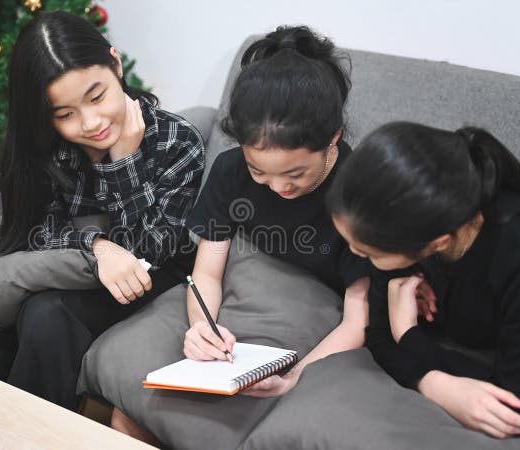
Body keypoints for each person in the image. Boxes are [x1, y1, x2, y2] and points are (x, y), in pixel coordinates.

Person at [0, 10, 205, 411]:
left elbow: (157, 249)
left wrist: (123, 163)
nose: (91, 122)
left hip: (149, 282)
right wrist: (97, 246)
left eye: (97, 97)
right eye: (65, 114)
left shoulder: (176, 142)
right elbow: (32, 230)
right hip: (70, 273)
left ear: (115, 64)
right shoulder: (45, 147)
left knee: (48, 314)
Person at [112, 25, 372, 441]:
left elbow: (359, 319)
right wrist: (204, 329)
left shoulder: (358, 193)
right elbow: (208, 274)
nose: (278, 188)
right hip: (239, 301)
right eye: (260, 172)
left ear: (333, 138)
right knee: (129, 409)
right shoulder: (230, 170)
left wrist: (293, 378)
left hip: (316, 322)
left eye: (295, 174)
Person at [327, 121, 520, 439]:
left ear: (438, 243)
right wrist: (432, 383)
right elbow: (377, 335)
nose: (354, 254)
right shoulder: (394, 218)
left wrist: (408, 336)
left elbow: (519, 405)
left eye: (367, 251)